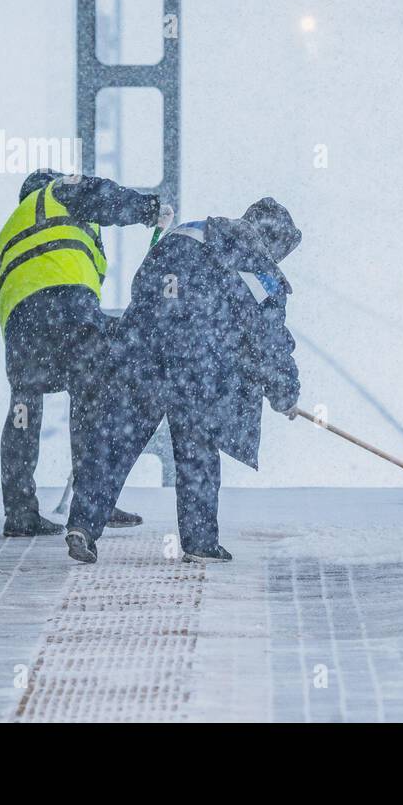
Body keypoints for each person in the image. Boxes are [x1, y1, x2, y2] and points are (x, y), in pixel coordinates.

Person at [65, 197, 301, 564]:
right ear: (275, 242)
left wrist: (150, 328)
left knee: (116, 441)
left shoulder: (190, 231)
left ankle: (82, 525)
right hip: (199, 370)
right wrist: (285, 394)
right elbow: (268, 340)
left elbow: (144, 281)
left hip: (143, 348)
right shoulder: (261, 270)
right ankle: (200, 543)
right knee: (197, 453)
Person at [0, 168, 172, 536]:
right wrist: (148, 209)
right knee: (91, 394)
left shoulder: (12, 227)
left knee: (24, 410)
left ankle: (20, 513)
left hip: (21, 328)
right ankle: (93, 503)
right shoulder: (56, 193)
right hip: (67, 308)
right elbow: (101, 195)